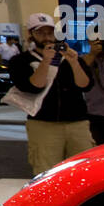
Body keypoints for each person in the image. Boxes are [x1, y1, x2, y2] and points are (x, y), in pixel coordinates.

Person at [7, 13, 94, 175]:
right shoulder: (20, 61)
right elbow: (34, 86)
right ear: (31, 34)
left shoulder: (71, 58)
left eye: (50, 32)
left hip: (77, 123)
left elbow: (86, 85)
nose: (47, 37)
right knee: (46, 171)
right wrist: (46, 62)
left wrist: (74, 62)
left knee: (84, 169)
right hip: (43, 124)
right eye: (40, 32)